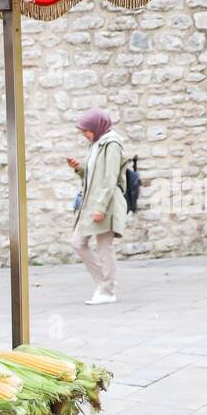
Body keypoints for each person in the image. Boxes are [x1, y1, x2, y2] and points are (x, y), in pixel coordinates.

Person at [66, 108, 125, 305]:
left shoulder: (112, 144)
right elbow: (93, 177)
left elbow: (110, 178)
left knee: (104, 246)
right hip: (92, 202)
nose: (84, 134)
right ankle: (105, 285)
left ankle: (107, 290)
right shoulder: (97, 144)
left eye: (86, 130)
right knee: (77, 242)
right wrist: (79, 168)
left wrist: (101, 207)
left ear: (96, 127)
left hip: (105, 202)